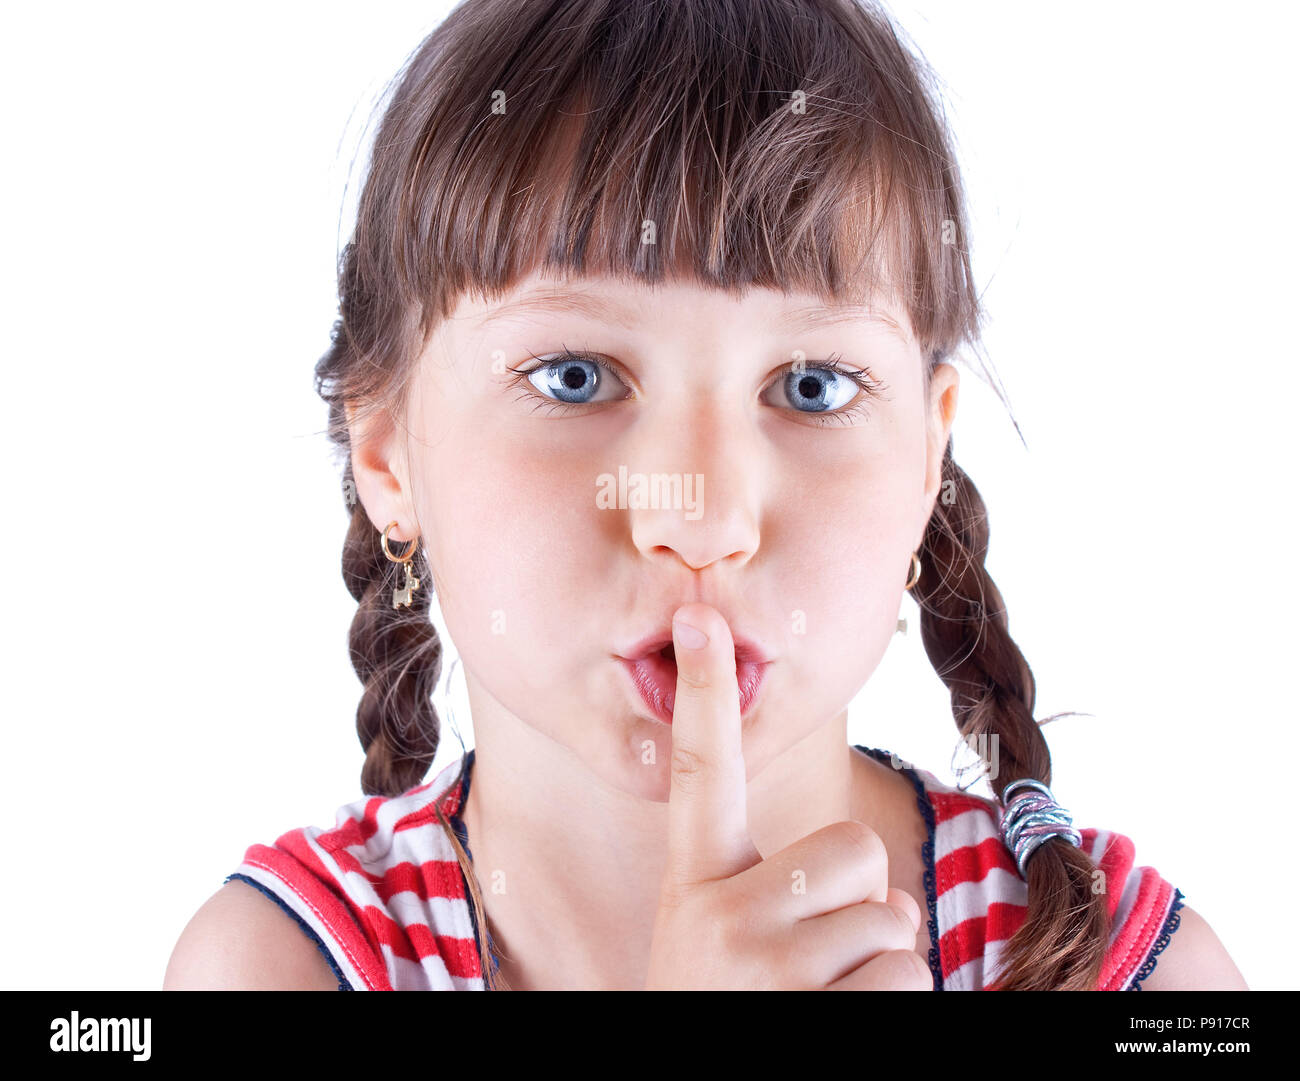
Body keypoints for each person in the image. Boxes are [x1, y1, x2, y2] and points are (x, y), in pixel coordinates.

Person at [164, 0, 1247, 991]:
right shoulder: (277, 964)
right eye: (573, 377)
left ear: (927, 456)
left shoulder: (1128, 972)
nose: (701, 516)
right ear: (388, 453)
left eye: (812, 386)